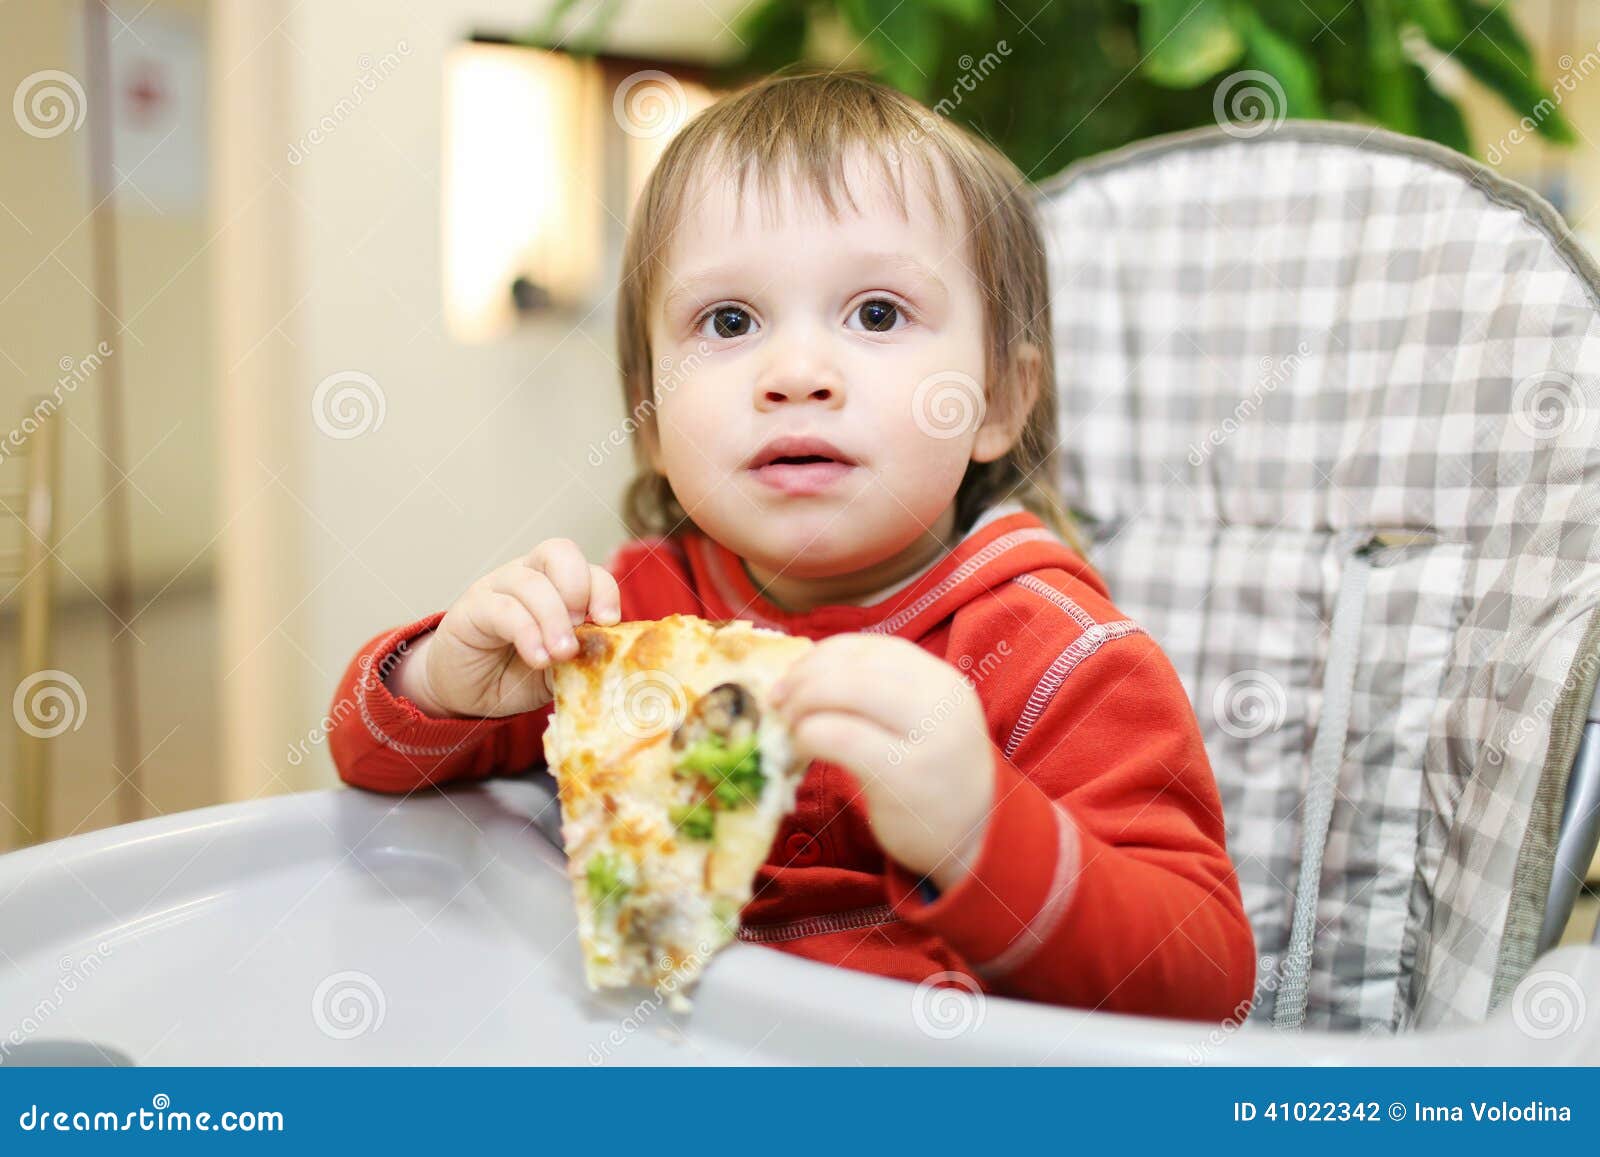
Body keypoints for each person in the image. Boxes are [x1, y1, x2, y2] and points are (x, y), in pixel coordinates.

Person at [328, 71, 1255, 1021]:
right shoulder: (627, 618)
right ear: (648, 420)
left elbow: (1203, 982)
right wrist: (442, 680)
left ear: (1000, 401)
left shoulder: (1063, 660)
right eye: (728, 322)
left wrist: (981, 830)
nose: (798, 373)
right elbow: (373, 769)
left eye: (878, 314)